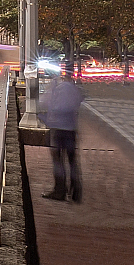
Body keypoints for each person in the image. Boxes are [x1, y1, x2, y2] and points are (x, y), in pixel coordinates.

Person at [41, 66, 84, 202]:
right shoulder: (74, 88)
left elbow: (57, 107)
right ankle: (76, 191)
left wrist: (45, 117)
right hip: (71, 128)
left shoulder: (60, 88)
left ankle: (59, 191)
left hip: (59, 128)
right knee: (72, 161)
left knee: (58, 161)